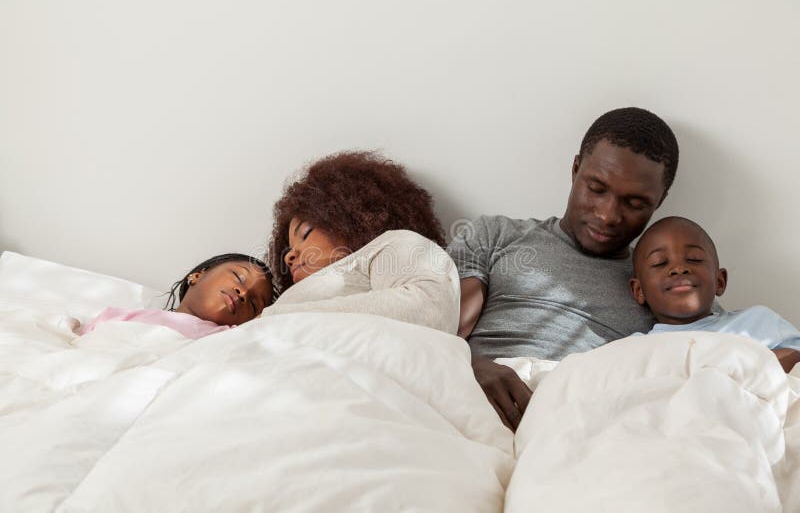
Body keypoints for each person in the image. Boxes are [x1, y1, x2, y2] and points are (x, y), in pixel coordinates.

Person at [447, 107, 679, 429]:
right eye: (596, 189)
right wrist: (470, 365)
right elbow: (435, 328)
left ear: (660, 201)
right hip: (470, 399)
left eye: (635, 204)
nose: (608, 215)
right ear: (575, 170)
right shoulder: (494, 235)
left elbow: (732, 351)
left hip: (583, 420)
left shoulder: (666, 278)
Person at [263, 150, 460, 334]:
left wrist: (269, 319)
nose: (288, 256)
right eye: (288, 248)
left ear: (351, 221)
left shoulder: (394, 243)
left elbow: (430, 308)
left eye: (305, 233)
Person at [630, 216, 800, 372]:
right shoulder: (636, 349)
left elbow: (795, 357)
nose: (679, 268)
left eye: (694, 259)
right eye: (659, 263)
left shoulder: (757, 321)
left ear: (719, 281)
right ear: (639, 291)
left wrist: (743, 370)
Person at [79, 253, 273, 339]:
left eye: (254, 304)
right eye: (238, 276)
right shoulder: (124, 316)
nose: (244, 293)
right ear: (198, 275)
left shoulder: (226, 337)